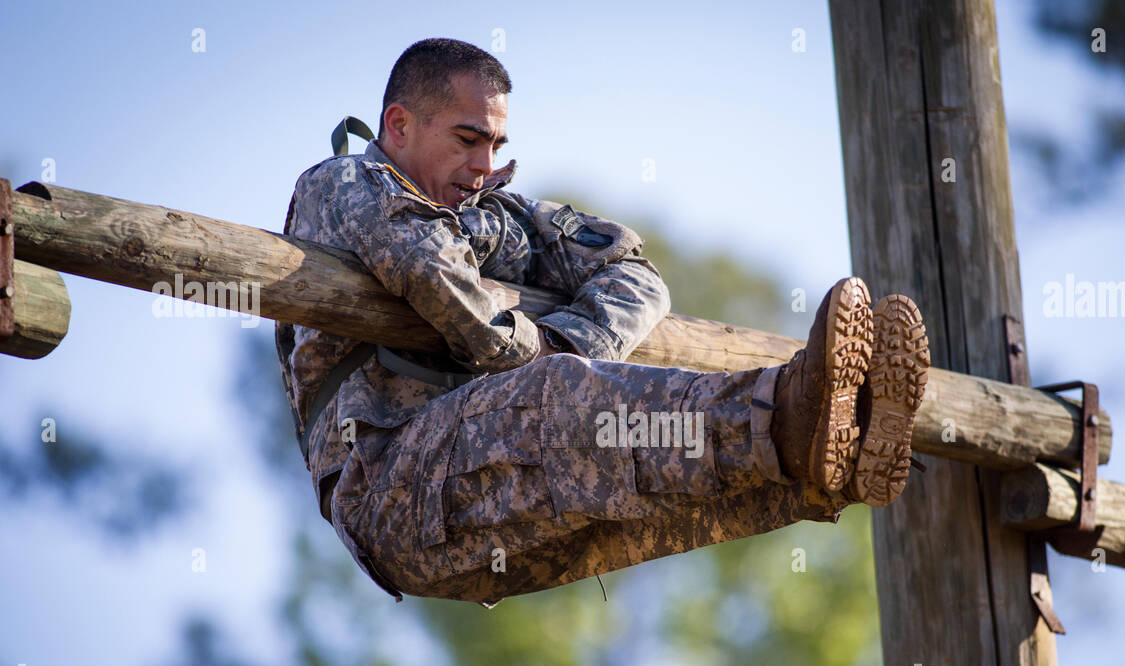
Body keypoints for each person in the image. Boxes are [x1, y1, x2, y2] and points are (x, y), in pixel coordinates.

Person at [276, 38, 930, 606]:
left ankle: (843, 452)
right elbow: (426, 264)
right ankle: (792, 409)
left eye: (497, 144)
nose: (483, 164)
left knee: (672, 496)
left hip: (503, 506)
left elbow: (632, 270)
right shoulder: (345, 182)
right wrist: (535, 354)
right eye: (467, 139)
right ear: (399, 124)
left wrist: (567, 341)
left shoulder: (501, 212)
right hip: (392, 496)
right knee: (556, 394)